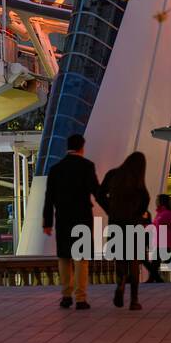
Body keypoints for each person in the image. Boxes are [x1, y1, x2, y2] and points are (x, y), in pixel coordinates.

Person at [42, 133, 102, 310]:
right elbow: (96, 191)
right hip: (82, 217)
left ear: (67, 147)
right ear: (82, 148)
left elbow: (49, 198)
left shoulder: (56, 169)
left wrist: (47, 222)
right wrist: (111, 209)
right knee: (81, 258)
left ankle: (66, 296)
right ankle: (81, 298)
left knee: (64, 257)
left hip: (63, 218)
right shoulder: (87, 166)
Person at [100, 151, 149, 311]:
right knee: (134, 260)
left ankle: (120, 283)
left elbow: (100, 194)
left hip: (115, 222)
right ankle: (134, 300)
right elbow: (146, 199)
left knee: (120, 258)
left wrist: (110, 209)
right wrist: (138, 214)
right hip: (134, 224)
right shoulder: (138, 180)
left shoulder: (113, 174)